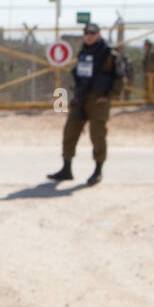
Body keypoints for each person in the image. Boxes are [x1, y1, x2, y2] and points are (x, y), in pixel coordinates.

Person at [47, 22, 113, 186]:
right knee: (70, 131)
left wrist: (108, 96)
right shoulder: (84, 51)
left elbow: (119, 77)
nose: (89, 36)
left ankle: (98, 170)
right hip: (81, 97)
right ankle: (66, 169)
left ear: (98, 34)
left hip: (98, 100)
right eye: (86, 33)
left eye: (92, 33)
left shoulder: (108, 53)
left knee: (97, 135)